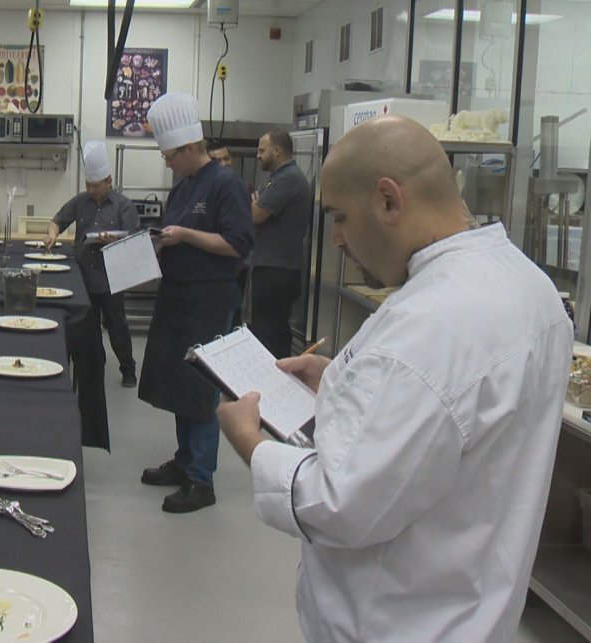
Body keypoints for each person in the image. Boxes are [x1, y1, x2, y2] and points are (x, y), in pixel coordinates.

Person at [217, 115, 572, 641]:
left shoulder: (427, 325)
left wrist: (249, 439)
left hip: (395, 621)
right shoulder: (526, 285)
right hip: (472, 609)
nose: (336, 239)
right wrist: (341, 375)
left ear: (388, 200)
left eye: (339, 217)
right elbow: (454, 409)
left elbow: (339, 504)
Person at [137, 93, 254, 513]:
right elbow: (174, 232)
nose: (167, 163)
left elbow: (238, 245)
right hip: (177, 296)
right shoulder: (183, 186)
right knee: (178, 384)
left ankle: (201, 480)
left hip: (209, 298)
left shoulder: (226, 185)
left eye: (170, 155)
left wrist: (185, 236)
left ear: (189, 148)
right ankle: (184, 461)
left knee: (202, 388)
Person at [46, 141, 141, 387]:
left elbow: (134, 238)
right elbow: (58, 220)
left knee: (116, 325)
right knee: (89, 328)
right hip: (83, 277)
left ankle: (128, 369)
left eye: (96, 186)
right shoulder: (80, 202)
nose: (91, 190)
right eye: (88, 185)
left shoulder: (123, 205)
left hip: (111, 277)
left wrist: (115, 238)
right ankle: (95, 366)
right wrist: (52, 233)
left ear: (108, 181)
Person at [249, 129, 311, 358]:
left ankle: (274, 383)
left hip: (279, 269)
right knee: (265, 329)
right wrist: (256, 203)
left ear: (277, 151)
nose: (258, 155)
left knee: (270, 334)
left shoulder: (288, 178)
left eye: (261, 150)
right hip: (270, 265)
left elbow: (256, 215)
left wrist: (256, 203)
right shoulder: (277, 178)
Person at [208, 141, 248, 329]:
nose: (225, 163)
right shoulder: (206, 190)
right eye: (218, 160)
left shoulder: (238, 186)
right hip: (211, 274)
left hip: (235, 271)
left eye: (227, 158)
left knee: (230, 324)